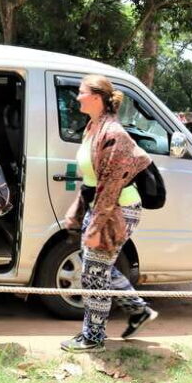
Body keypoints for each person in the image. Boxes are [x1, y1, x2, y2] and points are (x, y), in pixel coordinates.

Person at [60, 75, 158, 353]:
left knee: (93, 272)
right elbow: (92, 180)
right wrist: (77, 211)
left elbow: (111, 185)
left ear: (96, 97)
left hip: (118, 209)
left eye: (81, 92)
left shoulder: (113, 134)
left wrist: (95, 227)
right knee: (98, 267)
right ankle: (138, 311)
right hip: (104, 207)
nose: (77, 97)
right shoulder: (92, 128)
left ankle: (93, 338)